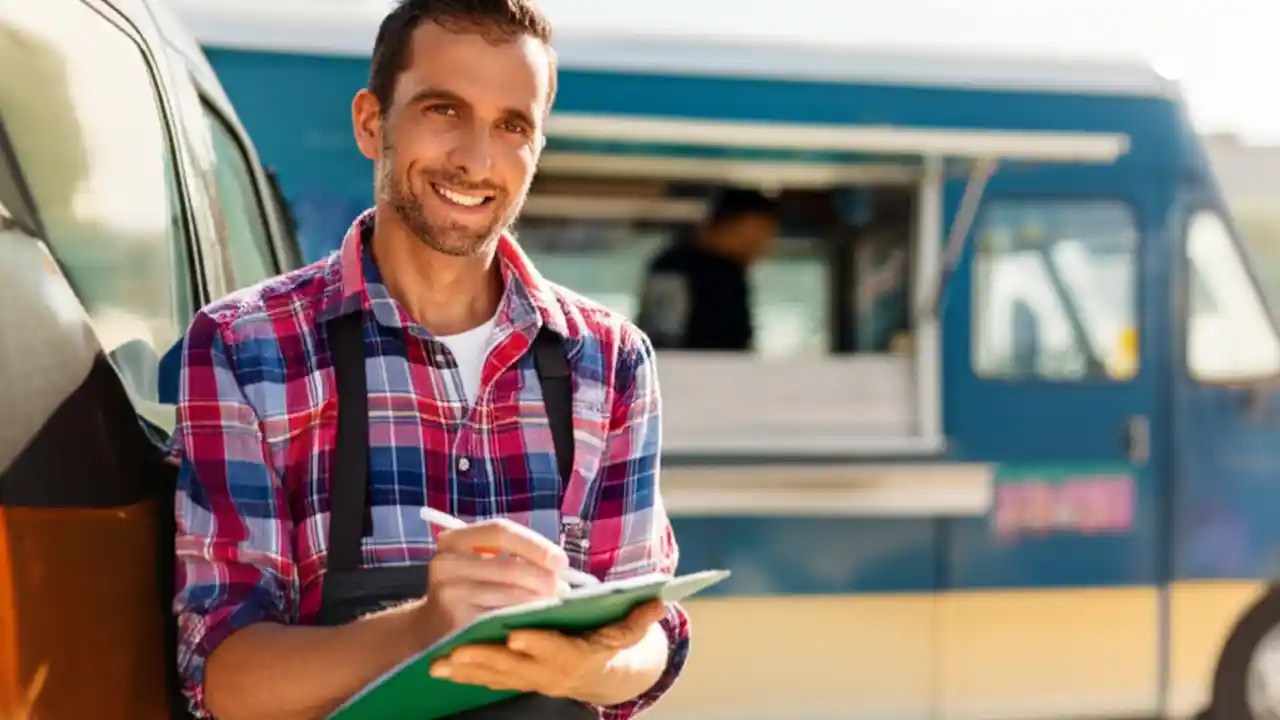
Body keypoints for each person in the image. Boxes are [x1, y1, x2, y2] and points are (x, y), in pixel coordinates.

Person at [169, 2, 689, 718]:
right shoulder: (246, 348)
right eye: (444, 110)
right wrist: (423, 628)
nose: (478, 160)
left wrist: (586, 666)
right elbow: (224, 683)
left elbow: (650, 637)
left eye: (512, 125)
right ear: (371, 122)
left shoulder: (610, 360)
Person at [636, 189, 778, 351]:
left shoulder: (731, 276)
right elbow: (660, 336)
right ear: (720, 226)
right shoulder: (673, 267)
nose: (757, 250)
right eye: (747, 239)